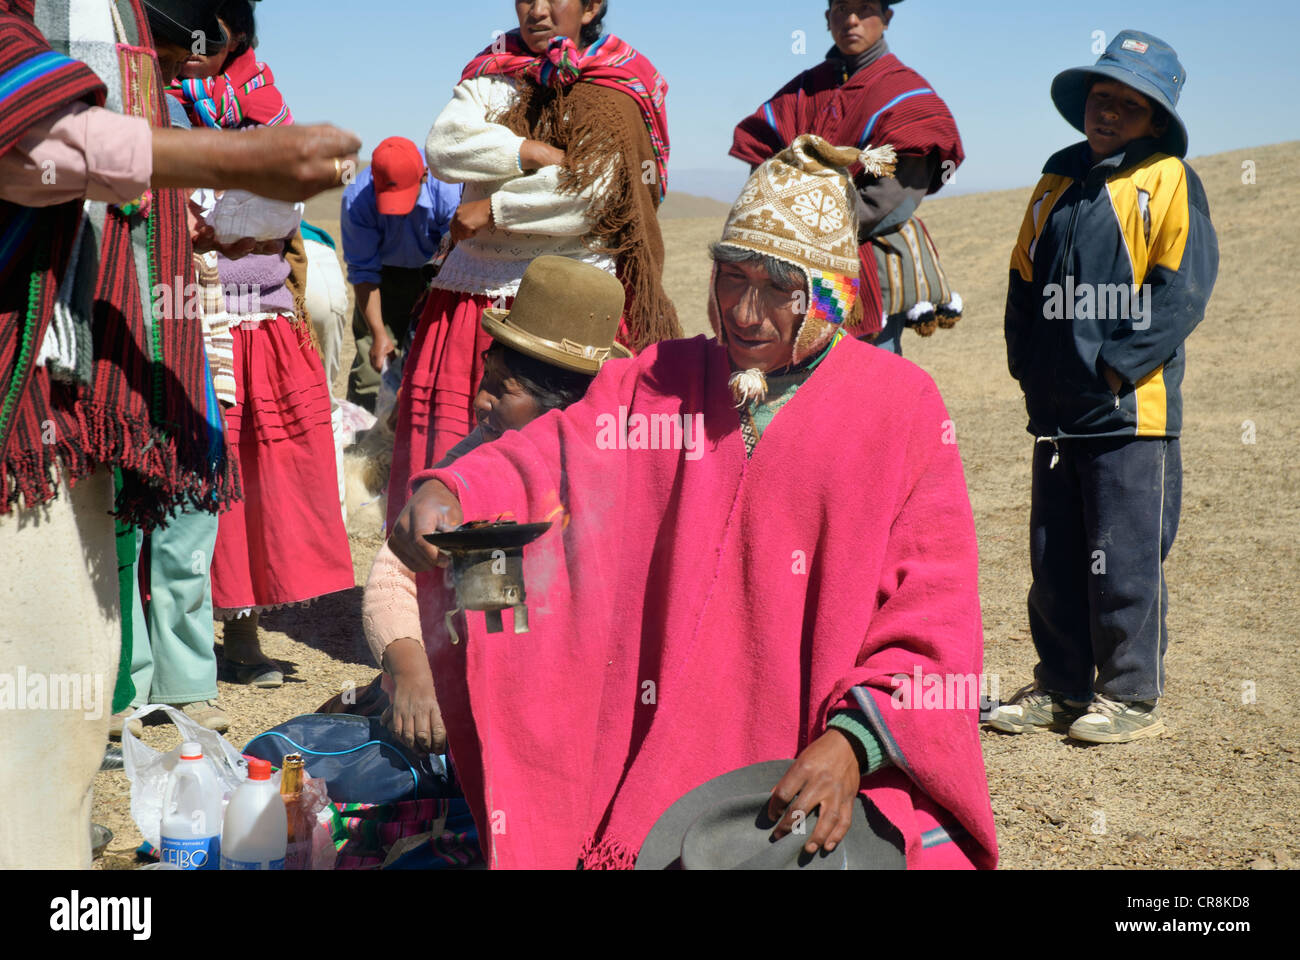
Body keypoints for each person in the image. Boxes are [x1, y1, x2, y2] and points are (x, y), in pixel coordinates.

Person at [390, 135, 997, 870]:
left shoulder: (899, 409)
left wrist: (852, 745)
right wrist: (451, 487)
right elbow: (553, 451)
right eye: (732, 277)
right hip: (653, 746)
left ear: (829, 293)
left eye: (779, 289)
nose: (744, 311)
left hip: (819, 740)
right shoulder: (662, 379)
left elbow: (933, 612)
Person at [0, 0, 358, 868]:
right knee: (36, 700)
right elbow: (29, 144)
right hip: (26, 401)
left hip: (74, 395)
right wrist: (240, 157)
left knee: (68, 691)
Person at [989, 31, 1218, 744]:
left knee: (1124, 559)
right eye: (1101, 96)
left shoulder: (1168, 180)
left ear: (1155, 118)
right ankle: (1060, 686)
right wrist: (1027, 365)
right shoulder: (1057, 174)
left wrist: (1116, 366)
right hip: (1056, 412)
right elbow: (1023, 277)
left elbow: (1182, 289)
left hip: (1129, 413)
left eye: (1129, 103)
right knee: (1055, 559)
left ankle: (1129, 695)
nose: (1109, 112)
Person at [387, 0, 679, 530]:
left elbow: (597, 191)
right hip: (470, 303)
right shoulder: (490, 72)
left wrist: (493, 208)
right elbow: (445, 146)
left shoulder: (621, 85)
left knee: (562, 474)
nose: (537, 9)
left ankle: (555, 599)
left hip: (567, 313)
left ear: (591, 7)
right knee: (451, 454)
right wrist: (529, 151)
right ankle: (430, 597)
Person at [364, 256, 629, 755]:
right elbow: (393, 576)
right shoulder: (475, 457)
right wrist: (412, 673)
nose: (479, 401)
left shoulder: (625, 481)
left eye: (502, 390)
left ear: (565, 407)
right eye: (486, 377)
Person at [174, 0, 355, 686]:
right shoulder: (154, 107)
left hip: (262, 318)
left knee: (253, 478)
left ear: (236, 34)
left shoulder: (265, 108)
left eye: (206, 23)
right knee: (198, 475)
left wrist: (224, 226)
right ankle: (180, 649)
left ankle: (243, 637)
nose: (190, 37)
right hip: (188, 319)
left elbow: (282, 207)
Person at [730, 0, 963, 354]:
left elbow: (890, 200)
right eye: (840, 8)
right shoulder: (802, 91)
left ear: (887, 18)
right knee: (801, 371)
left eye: (865, 8)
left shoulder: (907, 97)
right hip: (795, 269)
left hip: (862, 261)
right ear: (827, 19)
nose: (851, 20)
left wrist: (810, 225)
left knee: (865, 377)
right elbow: (764, 164)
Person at [341, 137, 460, 413]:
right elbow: (363, 272)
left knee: (436, 360)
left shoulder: (449, 188)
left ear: (424, 177)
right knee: (374, 367)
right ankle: (366, 437)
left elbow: (457, 253)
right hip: (383, 279)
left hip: (442, 274)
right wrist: (379, 334)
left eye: (407, 197)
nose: (399, 211)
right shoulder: (356, 198)